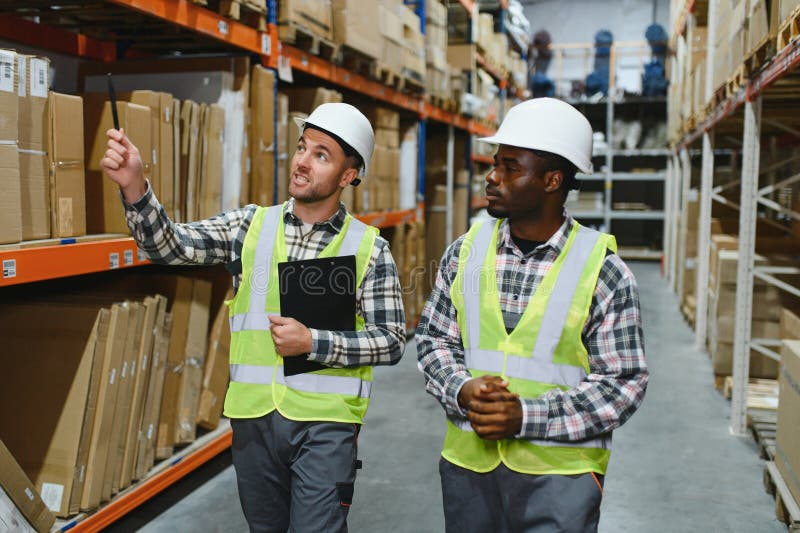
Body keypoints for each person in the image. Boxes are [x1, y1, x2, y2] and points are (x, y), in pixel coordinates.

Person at [101, 102, 406, 532]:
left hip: (326, 427)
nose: (302, 161)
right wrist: (135, 188)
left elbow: (392, 340)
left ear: (348, 175)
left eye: (321, 155)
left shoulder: (369, 249)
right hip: (254, 423)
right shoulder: (250, 226)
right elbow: (170, 246)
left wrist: (314, 343)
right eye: (302, 147)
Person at [416, 97, 649, 533]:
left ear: (552, 180)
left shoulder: (602, 270)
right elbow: (433, 341)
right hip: (470, 472)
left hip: (559, 479)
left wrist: (526, 416)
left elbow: (623, 384)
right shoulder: (466, 251)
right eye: (494, 164)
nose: (492, 177)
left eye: (510, 167)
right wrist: (462, 387)